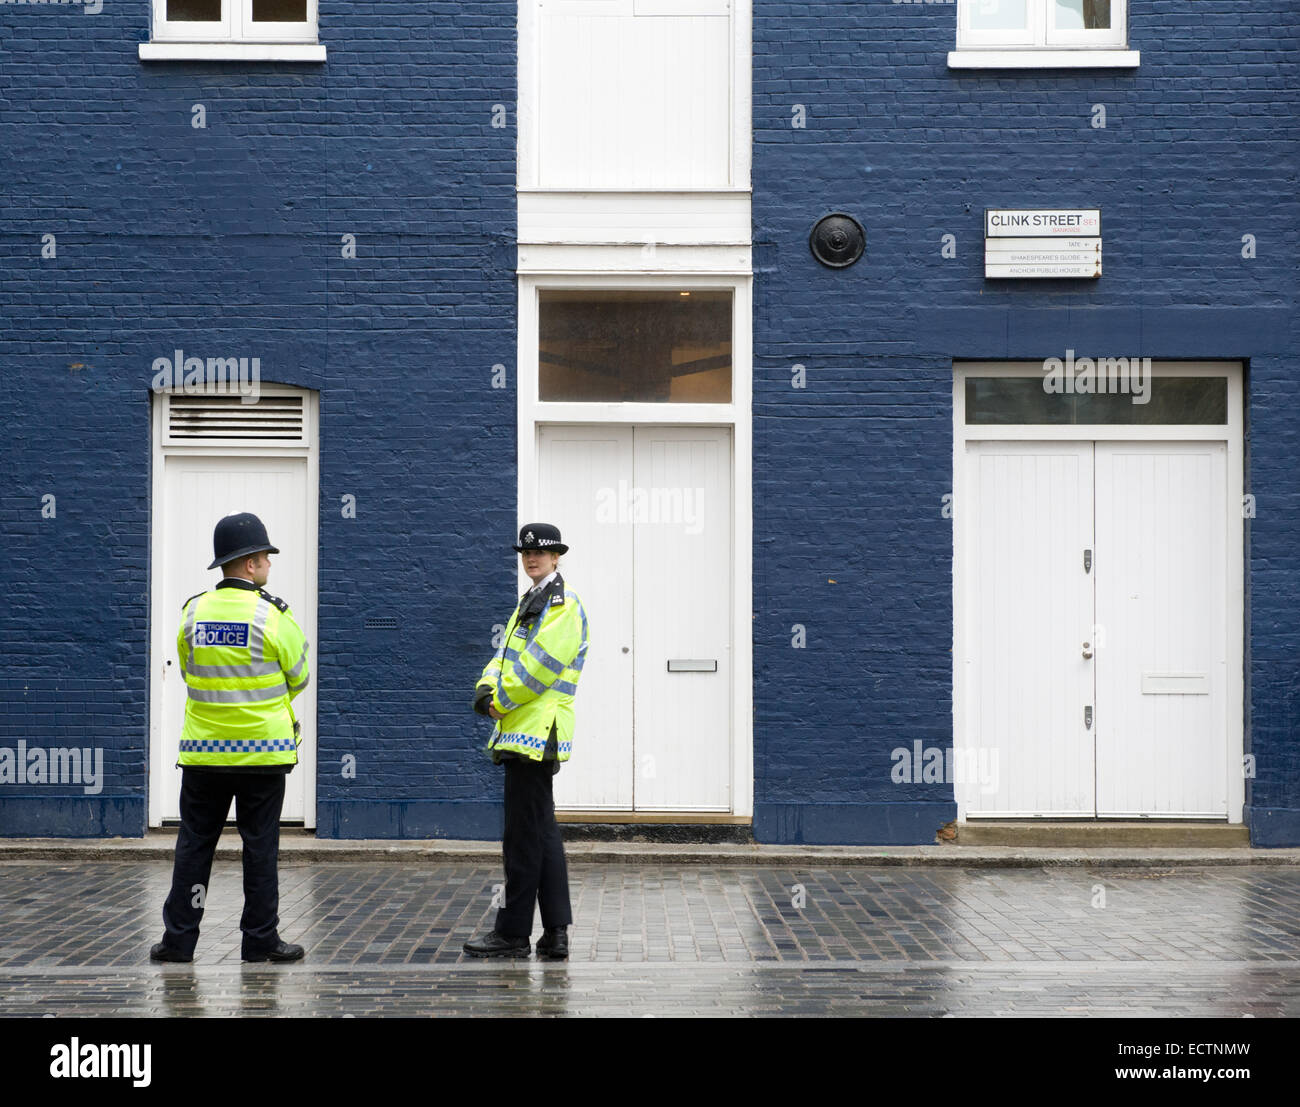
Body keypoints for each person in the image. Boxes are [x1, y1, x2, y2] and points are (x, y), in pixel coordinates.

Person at [150, 512, 310, 964]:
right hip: (262, 754)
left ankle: (178, 941)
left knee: (194, 847)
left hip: (203, 754)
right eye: (266, 559)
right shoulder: (273, 615)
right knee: (260, 848)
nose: (269, 567)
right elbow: (299, 675)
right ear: (252, 563)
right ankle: (259, 939)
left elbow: (189, 671)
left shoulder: (193, 611)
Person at [464, 523, 590, 959]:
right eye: (525, 553)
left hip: (537, 730)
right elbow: (503, 657)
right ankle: (555, 933)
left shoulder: (563, 605)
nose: (531, 558)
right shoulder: (530, 602)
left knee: (523, 836)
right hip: (525, 731)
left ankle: (513, 933)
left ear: (557, 558)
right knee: (541, 833)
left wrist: (497, 700)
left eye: (541, 552)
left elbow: (539, 666)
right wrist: (485, 688)